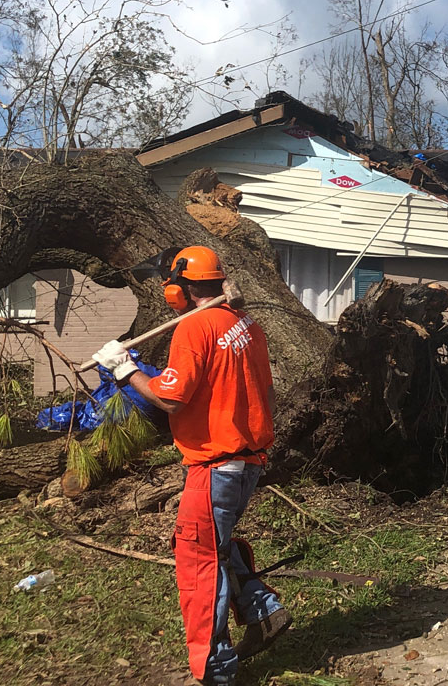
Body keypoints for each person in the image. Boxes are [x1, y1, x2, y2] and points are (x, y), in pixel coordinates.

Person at [93, 246, 289, 686]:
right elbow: (254, 391)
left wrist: (126, 371)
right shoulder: (247, 325)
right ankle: (263, 610)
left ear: (178, 287)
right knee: (214, 546)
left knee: (197, 559)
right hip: (248, 459)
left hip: (215, 464)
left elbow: (170, 397)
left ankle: (213, 670)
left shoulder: (195, 327)